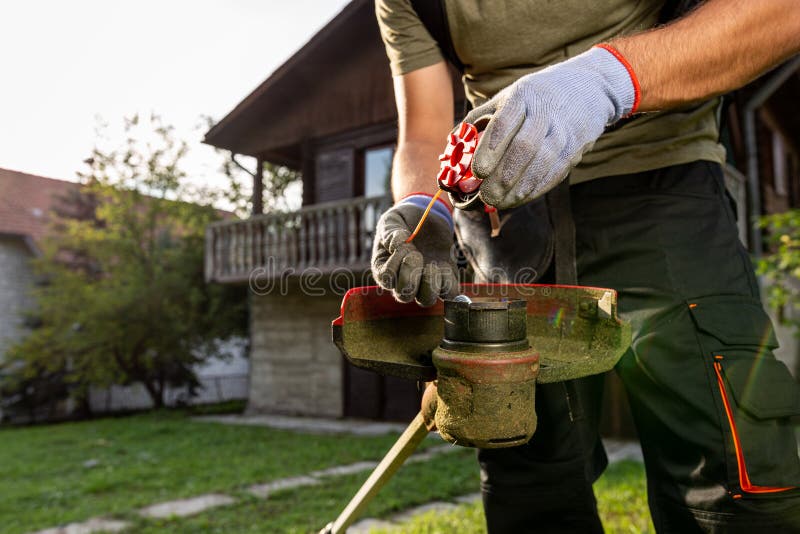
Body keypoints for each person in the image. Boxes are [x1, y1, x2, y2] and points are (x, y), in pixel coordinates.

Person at [369, 1, 800, 532]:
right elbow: (423, 131)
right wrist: (424, 207)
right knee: (527, 482)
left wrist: (605, 81)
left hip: (662, 191)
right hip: (507, 231)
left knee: (728, 481)